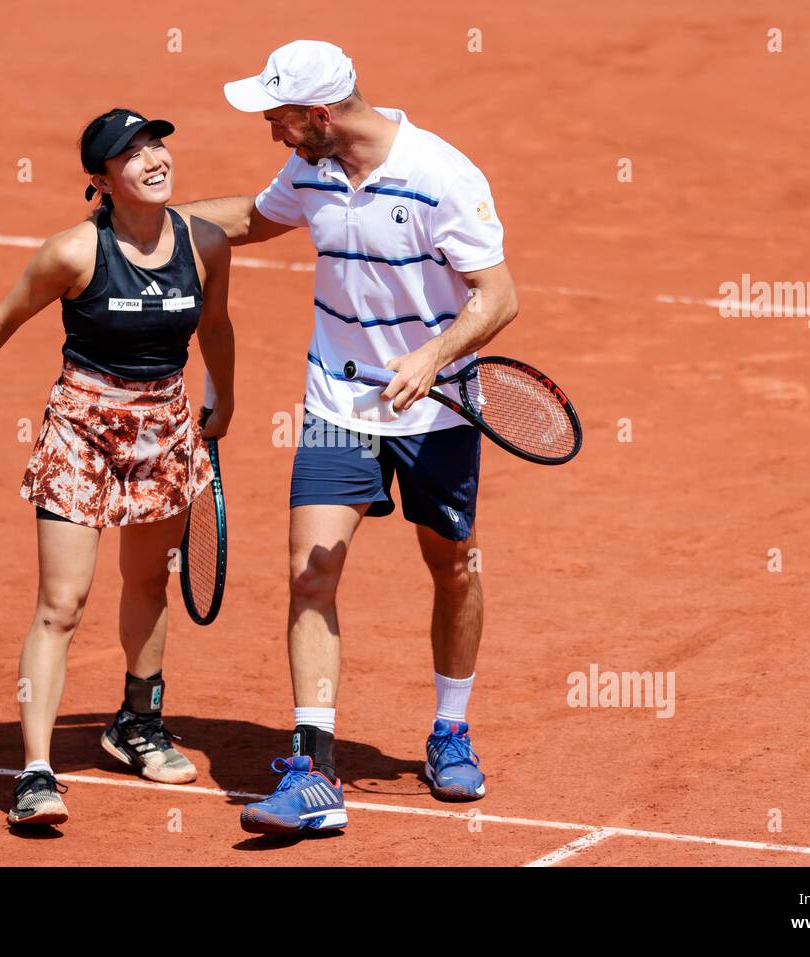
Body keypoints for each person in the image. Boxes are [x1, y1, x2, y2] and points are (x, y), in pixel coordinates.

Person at [179, 41, 517, 835]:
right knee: (308, 578)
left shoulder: (442, 176)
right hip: (336, 403)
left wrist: (432, 357)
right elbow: (253, 220)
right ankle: (312, 767)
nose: (273, 132)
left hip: (436, 412)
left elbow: (497, 294)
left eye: (281, 118)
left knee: (455, 567)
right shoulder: (309, 171)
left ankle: (449, 732)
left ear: (322, 115)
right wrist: (144, 221)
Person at [0, 108, 235, 827]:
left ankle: (136, 722)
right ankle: (34, 771)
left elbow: (214, 324)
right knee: (62, 604)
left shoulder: (205, 242)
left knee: (149, 580)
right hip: (82, 429)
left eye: (157, 145)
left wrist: (226, 396)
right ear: (101, 180)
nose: (154, 160)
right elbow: (4, 318)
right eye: (133, 154)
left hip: (166, 425)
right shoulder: (73, 253)